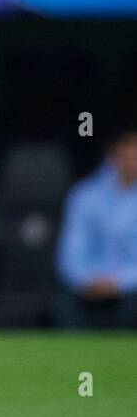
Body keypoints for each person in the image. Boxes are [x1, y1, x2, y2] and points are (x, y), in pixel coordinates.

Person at [55, 129, 137, 329]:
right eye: (127, 153)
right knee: (60, 300)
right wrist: (86, 279)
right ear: (114, 154)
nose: (131, 160)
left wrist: (118, 283)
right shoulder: (84, 195)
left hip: (131, 287)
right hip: (87, 287)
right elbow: (71, 251)